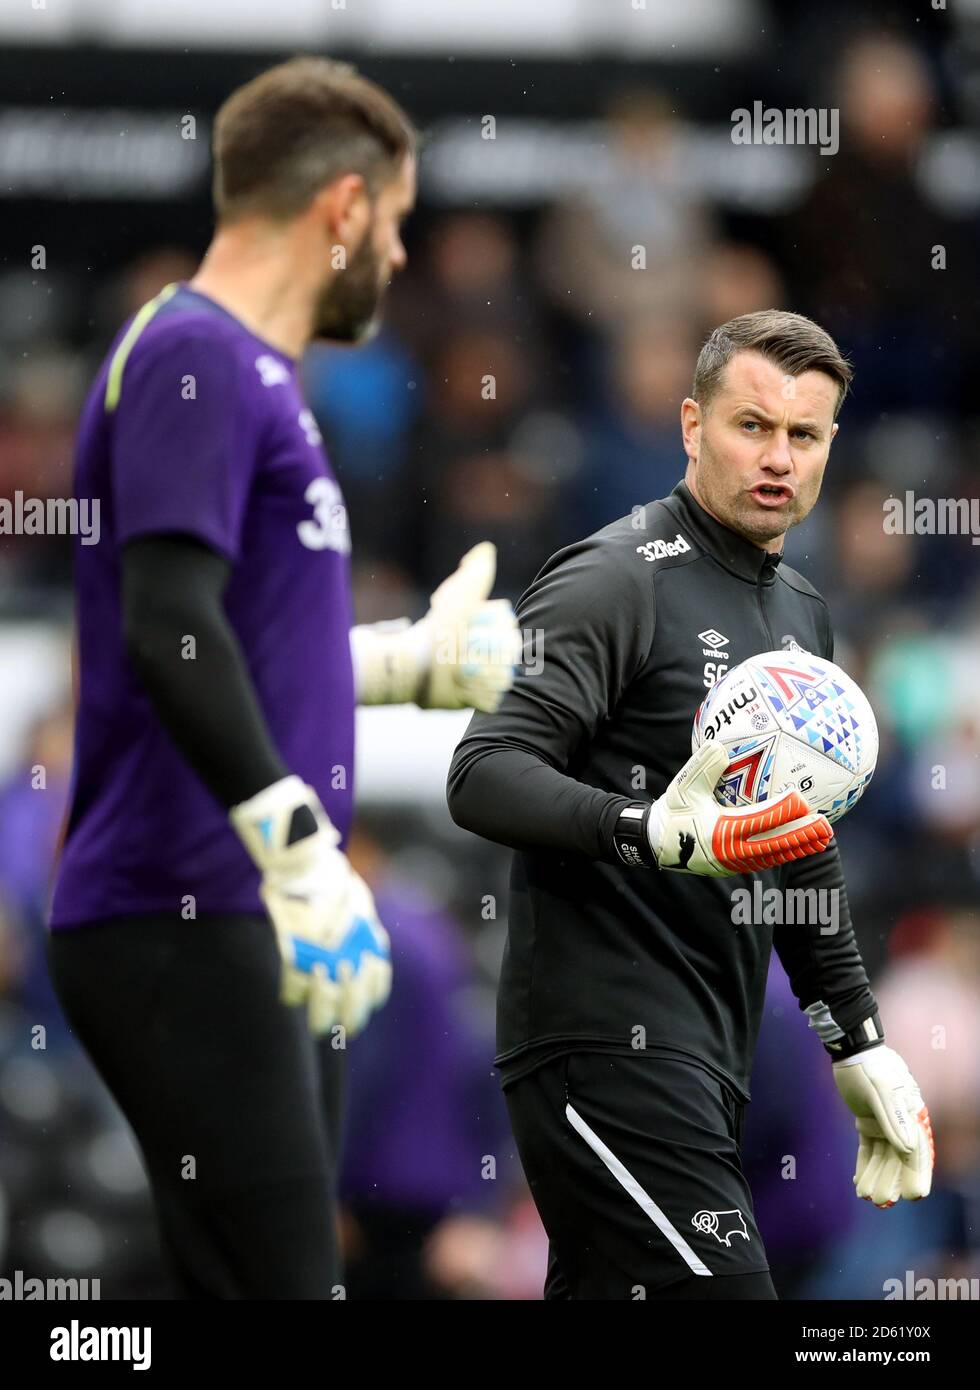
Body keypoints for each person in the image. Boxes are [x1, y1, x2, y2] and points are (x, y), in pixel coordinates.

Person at [46, 55, 518, 1300]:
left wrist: (399, 663)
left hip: (232, 908)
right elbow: (167, 627)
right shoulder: (192, 356)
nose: (404, 257)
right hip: (182, 906)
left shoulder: (248, 373)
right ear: (346, 207)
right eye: (401, 222)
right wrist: (297, 844)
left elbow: (233, 642)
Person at [447, 310, 935, 1301]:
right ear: (688, 425)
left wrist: (857, 1042)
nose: (776, 457)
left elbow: (796, 847)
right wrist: (644, 832)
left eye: (801, 436)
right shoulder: (610, 577)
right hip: (602, 1050)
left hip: (713, 1057)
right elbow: (483, 768)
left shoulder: (801, 612)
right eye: (749, 426)